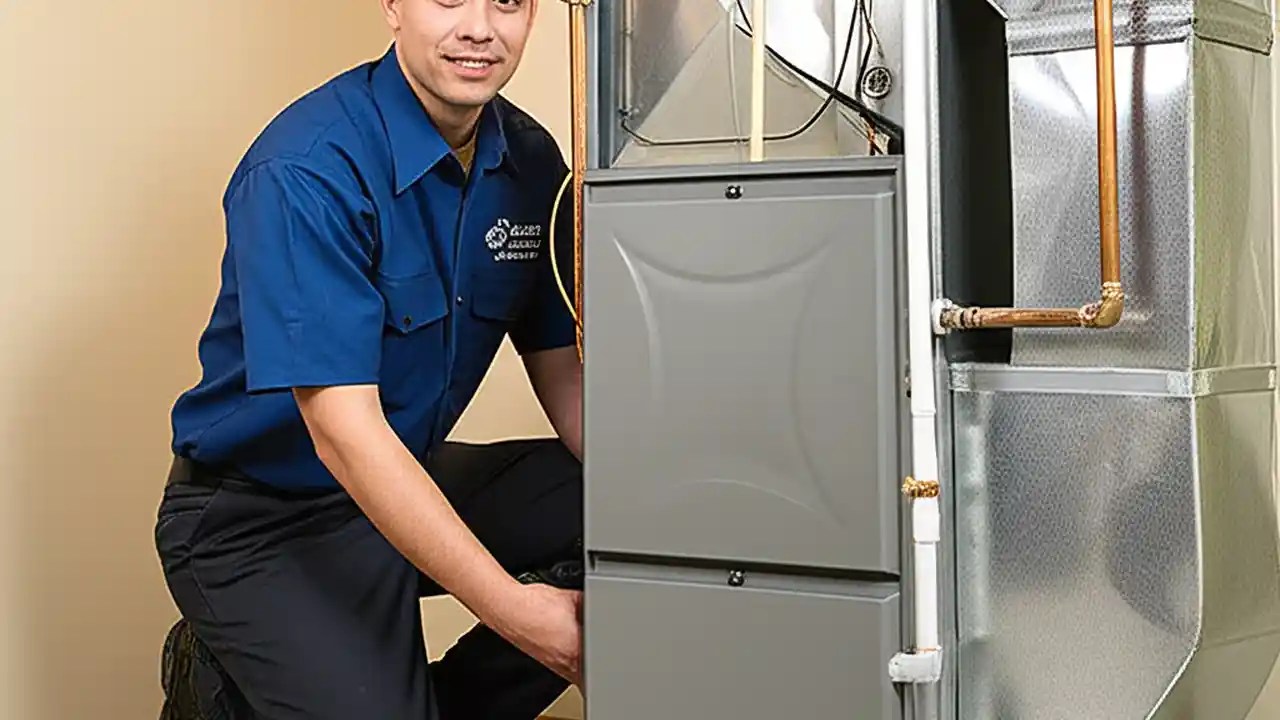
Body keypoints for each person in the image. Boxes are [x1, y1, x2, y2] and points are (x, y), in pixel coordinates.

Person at [153, 0, 586, 717]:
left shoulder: (532, 163)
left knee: (622, 512)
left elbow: (563, 373)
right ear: (392, 6)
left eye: (506, 0)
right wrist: (514, 610)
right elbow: (344, 434)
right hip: (261, 515)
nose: (480, 27)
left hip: (401, 473)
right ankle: (221, 686)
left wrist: (668, 513)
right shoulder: (307, 167)